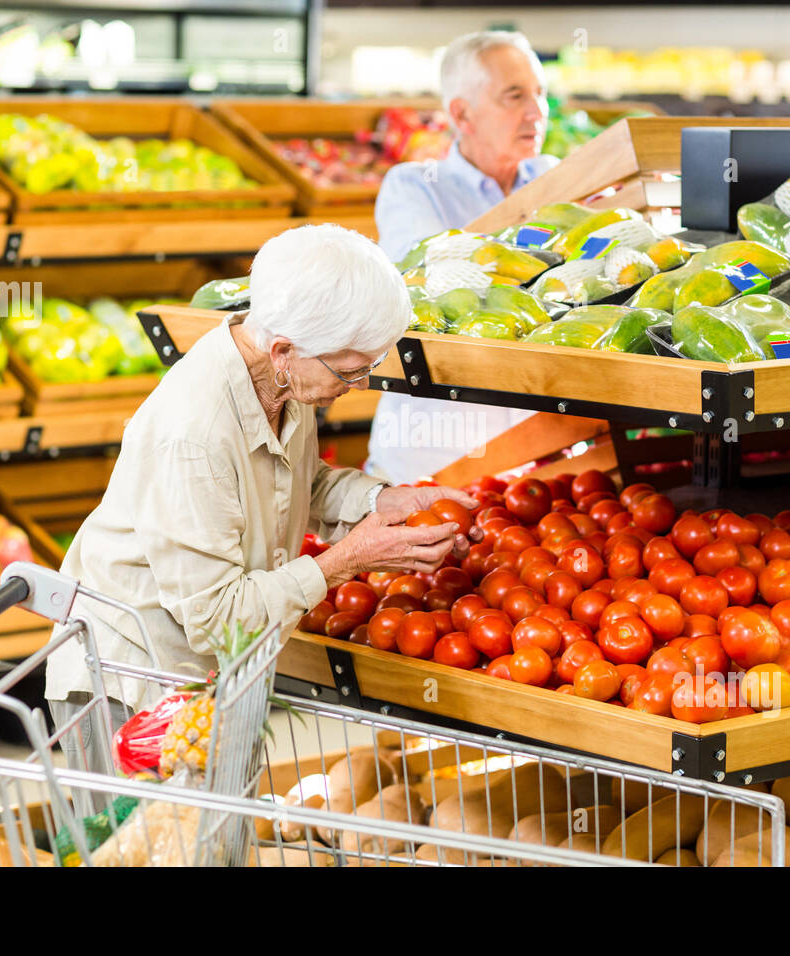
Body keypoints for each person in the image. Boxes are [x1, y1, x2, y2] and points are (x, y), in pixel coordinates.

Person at [43, 223, 478, 781]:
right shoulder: (192, 434)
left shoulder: (278, 381)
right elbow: (215, 618)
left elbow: (300, 480)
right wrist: (347, 560)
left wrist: (383, 498)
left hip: (214, 679)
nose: (363, 384)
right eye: (352, 370)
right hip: (136, 686)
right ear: (284, 350)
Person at [366, 30, 558, 485]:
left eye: (541, 93)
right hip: (433, 457)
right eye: (514, 96)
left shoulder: (551, 177)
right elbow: (441, 281)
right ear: (462, 114)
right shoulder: (413, 186)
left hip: (539, 455)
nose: (537, 112)